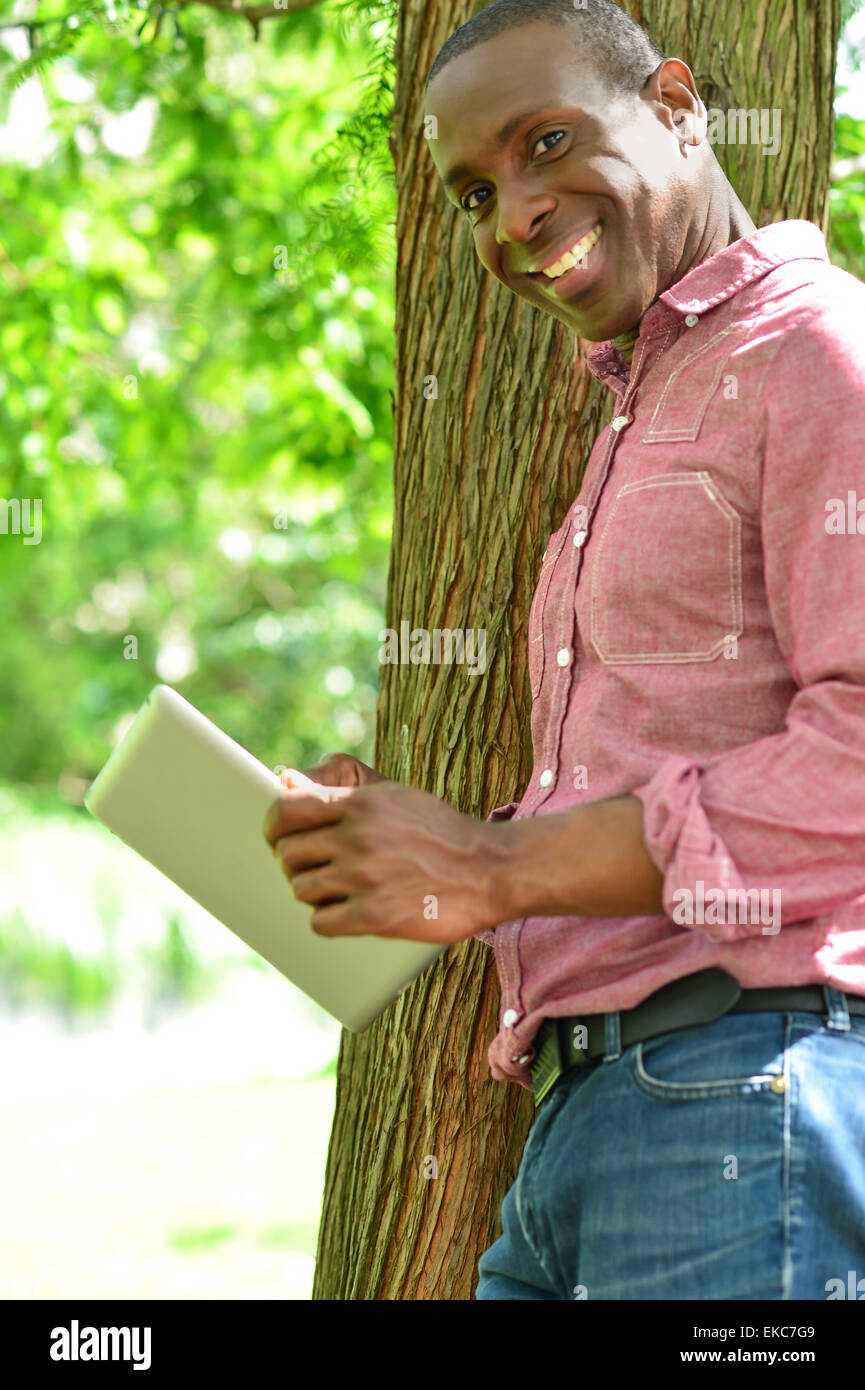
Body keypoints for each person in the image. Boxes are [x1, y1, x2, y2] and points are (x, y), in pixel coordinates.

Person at [263, 0, 865, 1300]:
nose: (512, 214)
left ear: (677, 107)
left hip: (734, 1097)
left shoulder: (818, 349)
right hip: (577, 1130)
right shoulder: (640, 412)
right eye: (472, 192)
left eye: (544, 140)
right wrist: (416, 845)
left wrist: (493, 863)